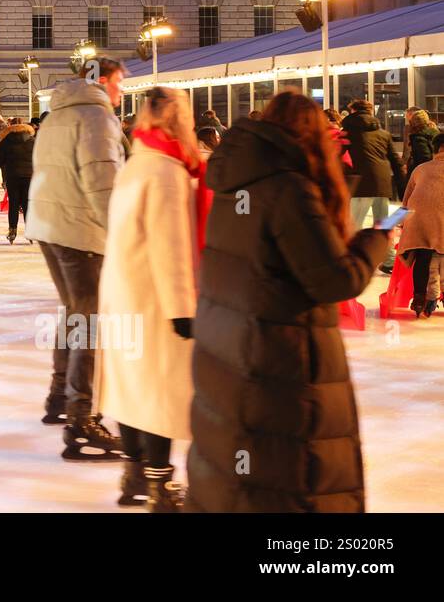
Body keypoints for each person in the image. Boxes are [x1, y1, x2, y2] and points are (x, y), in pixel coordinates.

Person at [188, 91, 390, 513]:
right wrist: (378, 237)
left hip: (232, 353)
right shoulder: (287, 188)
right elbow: (336, 278)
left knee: (240, 479)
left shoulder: (235, 182)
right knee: (294, 482)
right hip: (281, 363)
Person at [95, 88, 202, 512]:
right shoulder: (166, 171)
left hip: (123, 290)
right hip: (153, 297)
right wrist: (182, 310)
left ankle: (134, 475)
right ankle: (160, 490)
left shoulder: (137, 163)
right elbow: (170, 244)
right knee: (159, 392)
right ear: (176, 119)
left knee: (130, 390)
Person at [25, 58, 127, 456]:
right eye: (118, 84)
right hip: (80, 230)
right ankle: (82, 420)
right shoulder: (96, 117)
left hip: (51, 226)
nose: (120, 93)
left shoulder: (57, 114)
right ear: (101, 81)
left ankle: (59, 399)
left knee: (73, 313)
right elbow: (102, 182)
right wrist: (119, 235)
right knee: (88, 321)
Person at [341, 99, 404, 274]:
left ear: (353, 111)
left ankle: (351, 262)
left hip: (361, 184)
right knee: (384, 225)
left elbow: (335, 156)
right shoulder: (383, 133)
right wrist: (403, 187)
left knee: (354, 226)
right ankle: (390, 261)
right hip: (383, 184)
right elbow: (396, 161)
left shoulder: (348, 132)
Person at [398, 134, 444, 317]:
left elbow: (406, 201)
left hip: (420, 222)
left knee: (423, 256)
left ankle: (419, 299)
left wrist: (396, 224)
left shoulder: (421, 169)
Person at [0, 116, 35, 243]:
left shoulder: (6, 141)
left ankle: (12, 230)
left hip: (13, 176)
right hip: (29, 176)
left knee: (14, 204)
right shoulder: (32, 140)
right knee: (27, 204)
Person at [403, 108, 439, 177]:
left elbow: (423, 159)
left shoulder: (418, 138)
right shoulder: (435, 134)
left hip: (424, 176)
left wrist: (410, 164)